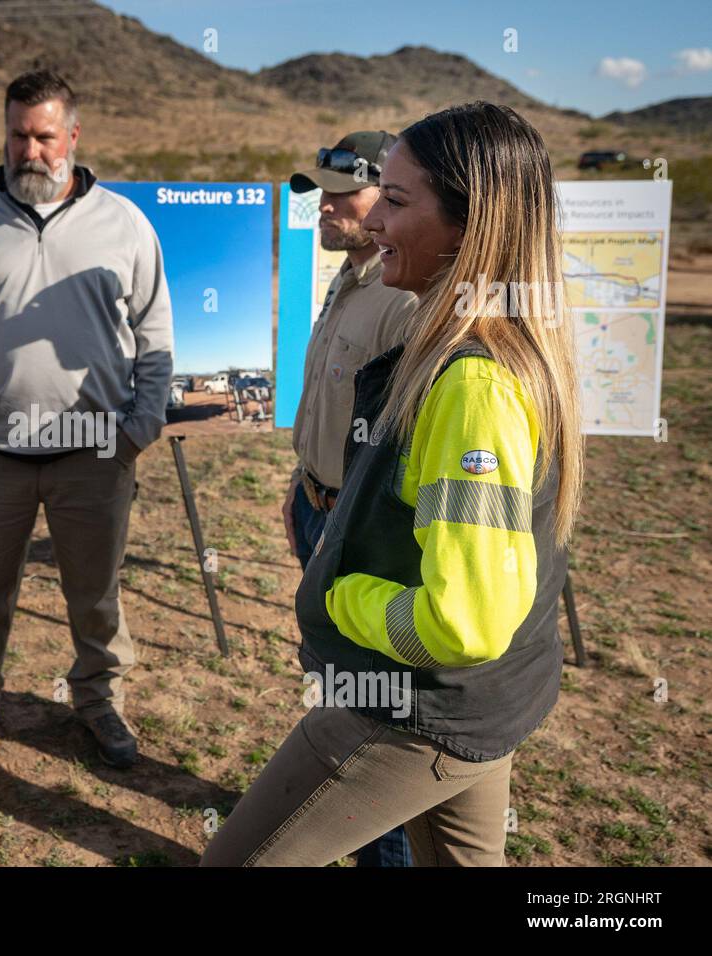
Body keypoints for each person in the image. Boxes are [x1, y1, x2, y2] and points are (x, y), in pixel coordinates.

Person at [202, 102, 583, 866]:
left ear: (471, 226)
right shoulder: (496, 346)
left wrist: (338, 592)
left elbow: (463, 624)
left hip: (415, 708)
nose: (374, 220)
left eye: (397, 202)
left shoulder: (472, 382)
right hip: (475, 706)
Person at [0, 69, 174, 772]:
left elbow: (154, 331)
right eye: (18, 135)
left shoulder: (124, 223)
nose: (30, 151)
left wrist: (138, 429)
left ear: (74, 136)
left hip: (93, 450)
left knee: (95, 595)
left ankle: (99, 698)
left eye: (45, 137)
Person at [282, 131, 418, 866]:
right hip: (321, 508)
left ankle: (381, 852)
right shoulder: (351, 275)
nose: (326, 207)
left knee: (372, 713)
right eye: (322, 194)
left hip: (358, 529)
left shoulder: (402, 299)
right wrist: (302, 489)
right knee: (340, 691)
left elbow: (397, 448)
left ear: (387, 198)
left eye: (343, 194)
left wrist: (342, 520)